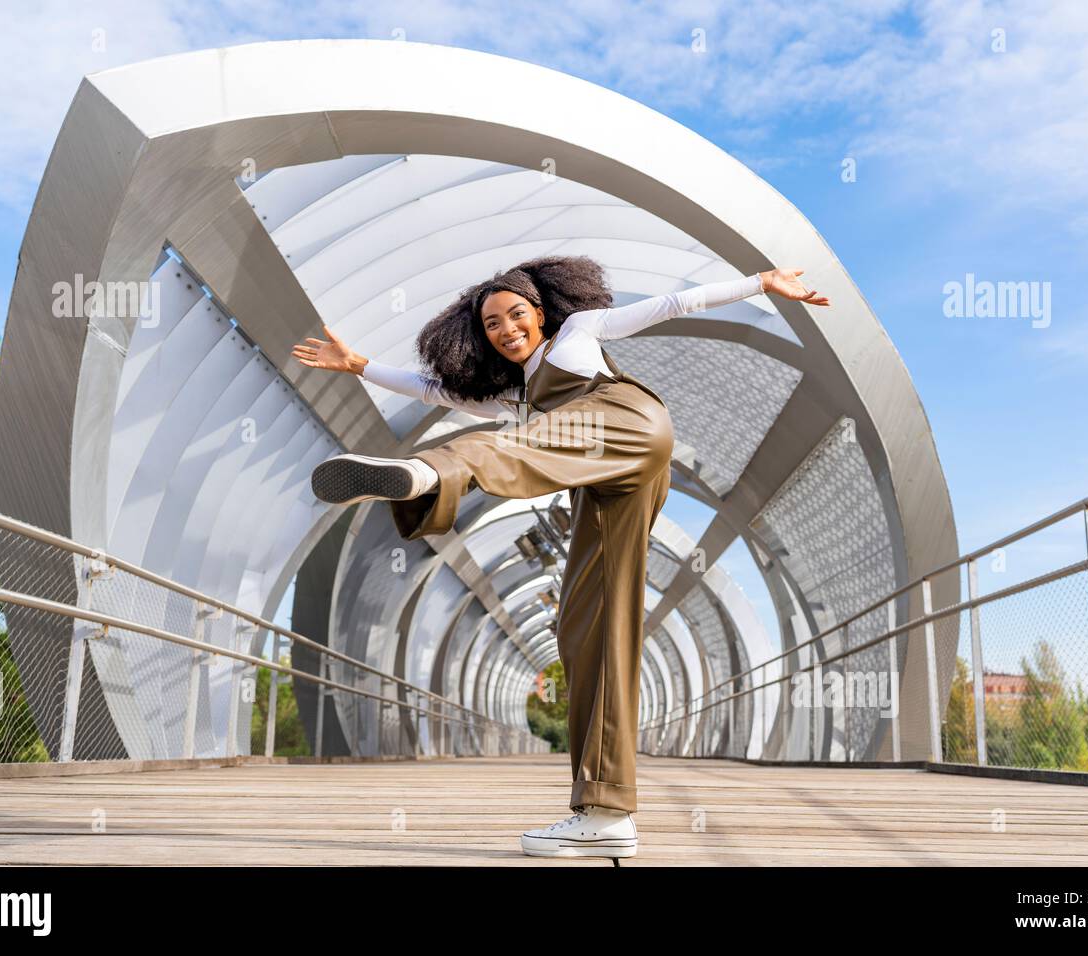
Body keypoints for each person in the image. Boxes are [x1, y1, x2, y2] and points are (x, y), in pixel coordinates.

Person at [291, 255, 828, 859]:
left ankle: (429, 472)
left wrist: (763, 284)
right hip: (607, 480)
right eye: (491, 323)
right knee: (590, 625)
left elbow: (674, 305)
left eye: (516, 314)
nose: (505, 328)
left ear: (541, 315)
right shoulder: (515, 396)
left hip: (626, 426)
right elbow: (434, 390)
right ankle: (606, 811)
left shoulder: (578, 335)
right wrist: (358, 363)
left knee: (496, 448)